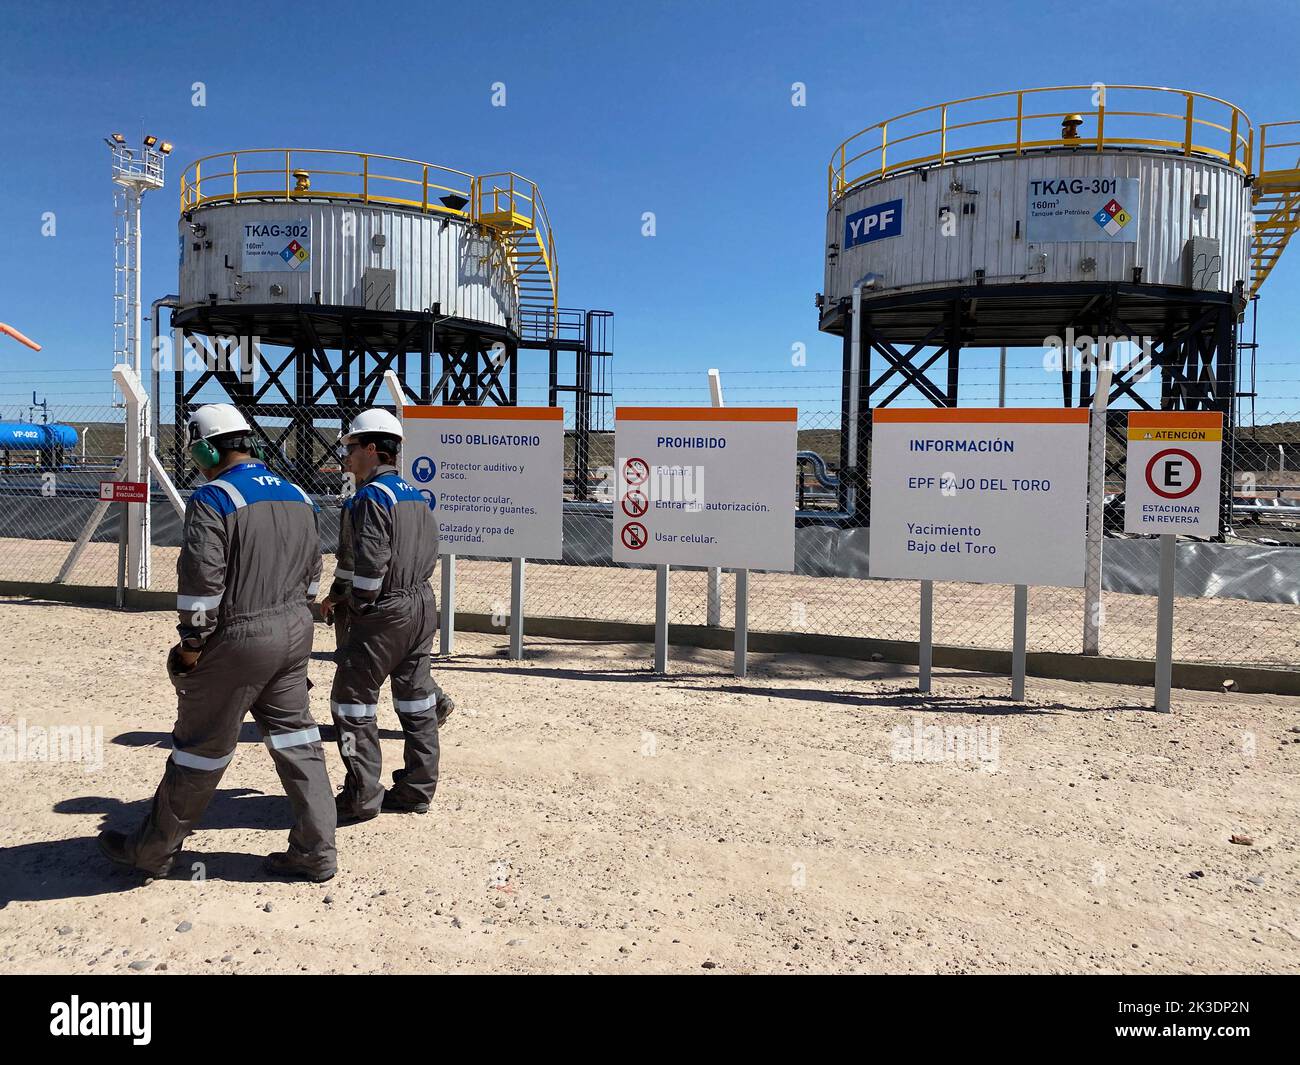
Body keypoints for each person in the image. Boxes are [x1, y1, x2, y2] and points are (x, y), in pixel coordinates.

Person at [98, 404, 337, 882]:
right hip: (294, 633)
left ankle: (151, 852)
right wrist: (294, 610)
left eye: (195, 450)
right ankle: (316, 852)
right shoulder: (297, 494)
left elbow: (203, 583)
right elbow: (314, 573)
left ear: (207, 446)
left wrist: (191, 643)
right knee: (298, 741)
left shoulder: (214, 497)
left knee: (199, 748)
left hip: (239, 638)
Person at [321, 408, 452, 824]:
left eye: (351, 447)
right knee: (416, 700)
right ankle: (416, 789)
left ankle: (361, 795)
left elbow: (370, 563)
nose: (346, 455)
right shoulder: (414, 495)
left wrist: (356, 607)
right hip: (421, 605)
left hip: (385, 611)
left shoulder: (369, 498)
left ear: (373, 449)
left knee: (351, 702)